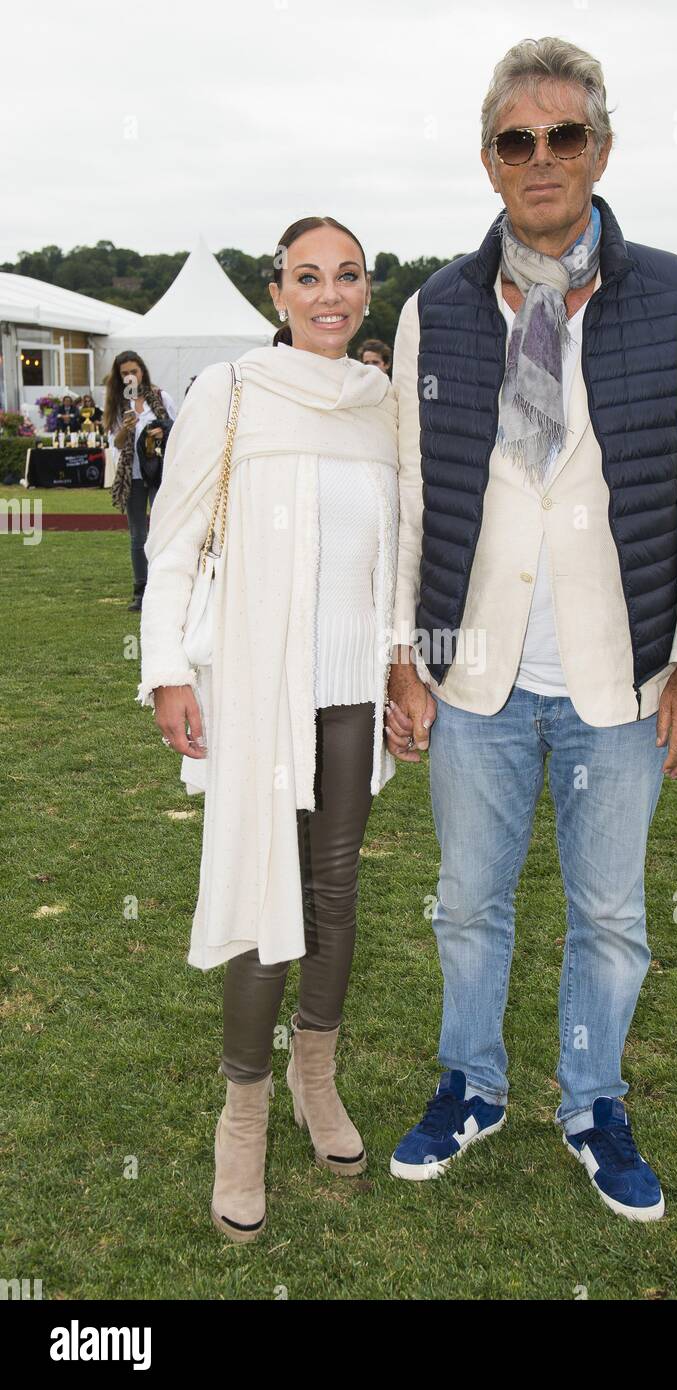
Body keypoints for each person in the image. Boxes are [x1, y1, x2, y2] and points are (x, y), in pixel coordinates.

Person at [385, 36, 677, 1221]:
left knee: (609, 916)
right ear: (488, 161)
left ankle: (592, 1099)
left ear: (600, 148)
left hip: (622, 680)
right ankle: (471, 1084)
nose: (540, 158)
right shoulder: (434, 308)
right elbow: (413, 501)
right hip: (474, 675)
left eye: (563, 136)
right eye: (515, 140)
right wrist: (406, 651)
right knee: (467, 904)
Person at [136, 216, 399, 1243]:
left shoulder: (380, 405)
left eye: (345, 276)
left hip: (350, 692)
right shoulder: (233, 390)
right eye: (306, 277)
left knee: (336, 889)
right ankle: (240, 1117)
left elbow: (401, 548)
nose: (327, 294)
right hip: (254, 683)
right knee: (264, 889)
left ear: (366, 290)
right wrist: (165, 670)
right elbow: (174, 537)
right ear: (277, 292)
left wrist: (400, 662)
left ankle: (315, 1081)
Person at [105, 352, 177, 611]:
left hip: (157, 473)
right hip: (132, 477)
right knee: (138, 535)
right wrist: (127, 428)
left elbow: (177, 427)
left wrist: (162, 429)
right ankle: (141, 590)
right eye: (124, 373)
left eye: (133, 371)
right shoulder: (117, 404)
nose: (129, 376)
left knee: (162, 531)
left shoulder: (159, 397)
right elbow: (116, 442)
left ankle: (165, 587)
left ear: (142, 372)